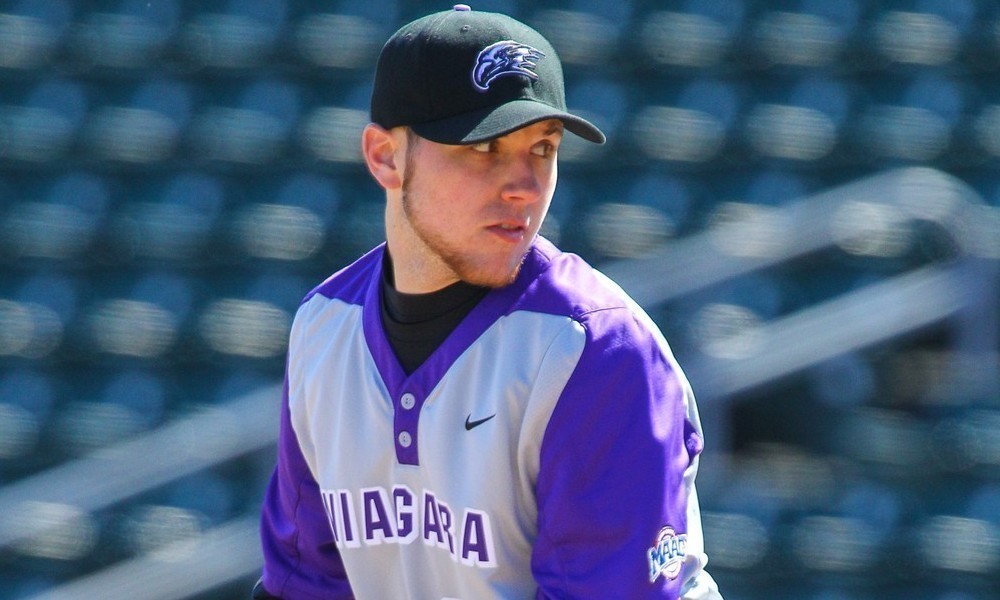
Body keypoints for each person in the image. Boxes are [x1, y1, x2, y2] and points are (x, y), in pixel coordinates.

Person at [254, 5, 722, 599]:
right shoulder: (324, 328)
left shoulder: (595, 347)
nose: (524, 185)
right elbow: (304, 587)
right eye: (484, 147)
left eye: (543, 148)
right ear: (385, 156)